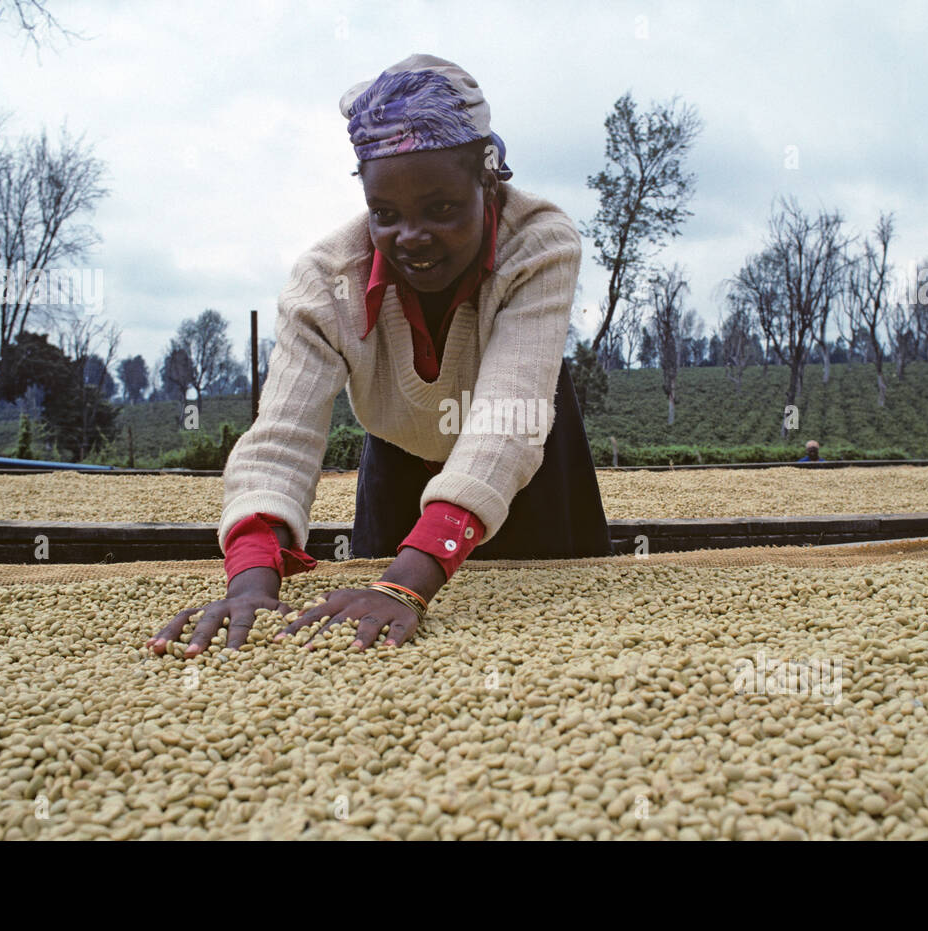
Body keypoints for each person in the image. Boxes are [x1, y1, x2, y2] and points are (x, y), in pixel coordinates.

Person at [148, 54, 611, 658]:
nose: (411, 237)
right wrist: (252, 583)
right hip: (399, 455)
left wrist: (407, 585)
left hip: (532, 459)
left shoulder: (539, 242)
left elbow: (508, 423)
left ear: (487, 182)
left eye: (441, 208)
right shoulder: (326, 280)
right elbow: (281, 437)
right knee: (381, 642)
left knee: (557, 629)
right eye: (386, 215)